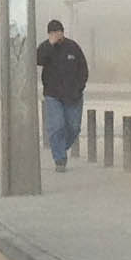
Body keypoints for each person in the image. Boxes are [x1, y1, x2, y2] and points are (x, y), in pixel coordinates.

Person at [34, 19, 88, 172]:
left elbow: (83, 69)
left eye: (58, 32)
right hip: (53, 95)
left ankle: (60, 148)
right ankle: (59, 158)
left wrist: (79, 88)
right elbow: (37, 60)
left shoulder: (73, 47)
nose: (56, 35)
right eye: (52, 33)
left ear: (63, 32)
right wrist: (49, 45)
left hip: (73, 96)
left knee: (74, 127)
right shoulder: (46, 48)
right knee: (56, 126)